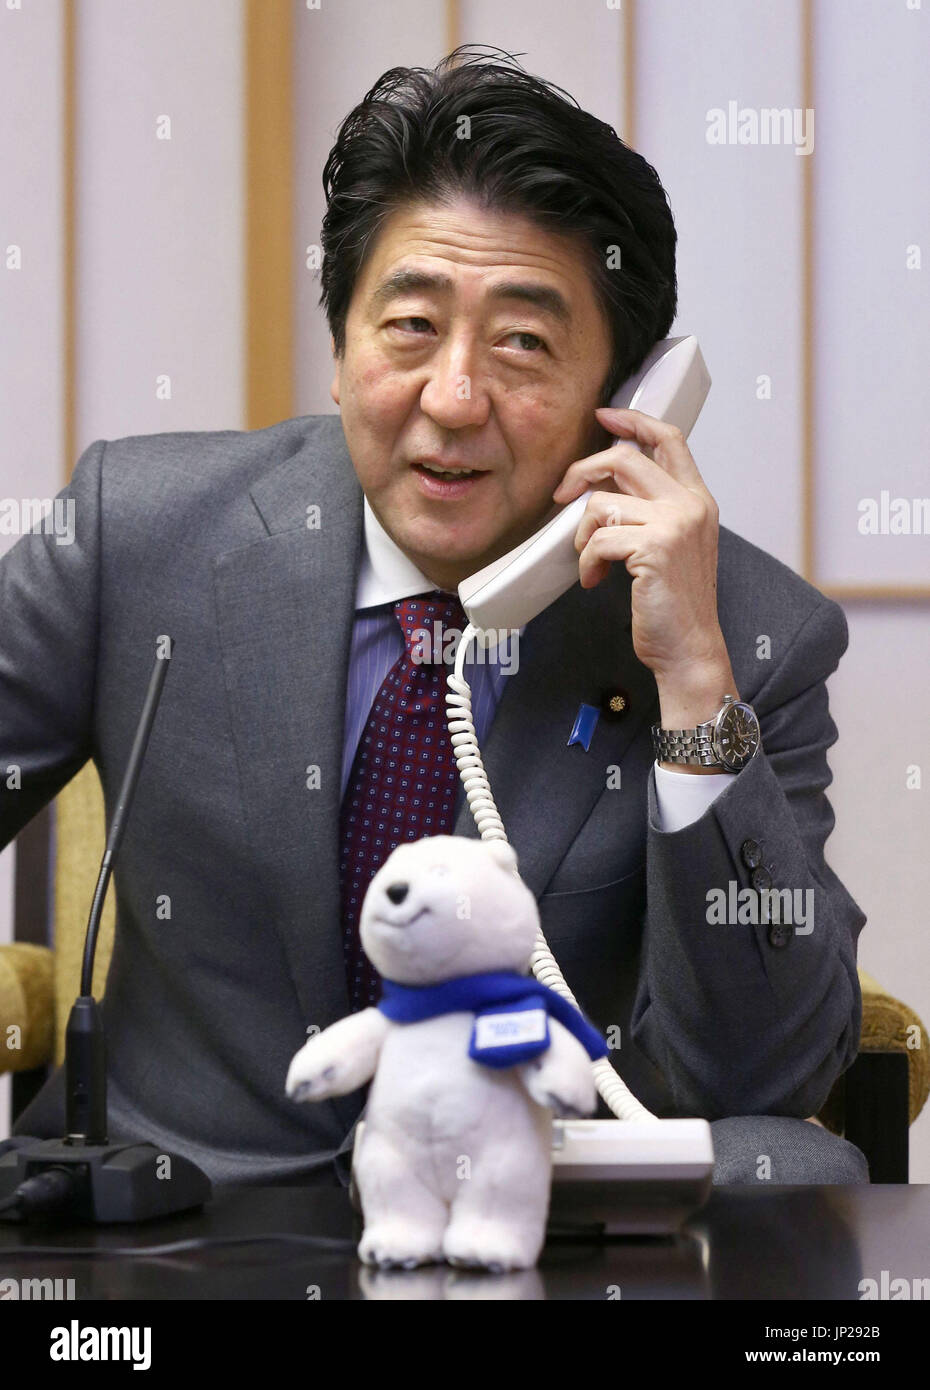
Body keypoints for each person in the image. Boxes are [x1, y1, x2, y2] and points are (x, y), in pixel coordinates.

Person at [0, 47, 867, 1185]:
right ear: (341, 346)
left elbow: (770, 1074)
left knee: (798, 1175)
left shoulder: (748, 630)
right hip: (178, 1224)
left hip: (534, 1221)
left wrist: (694, 681)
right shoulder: (139, 533)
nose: (452, 400)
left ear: (631, 399)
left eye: (522, 343)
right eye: (408, 325)